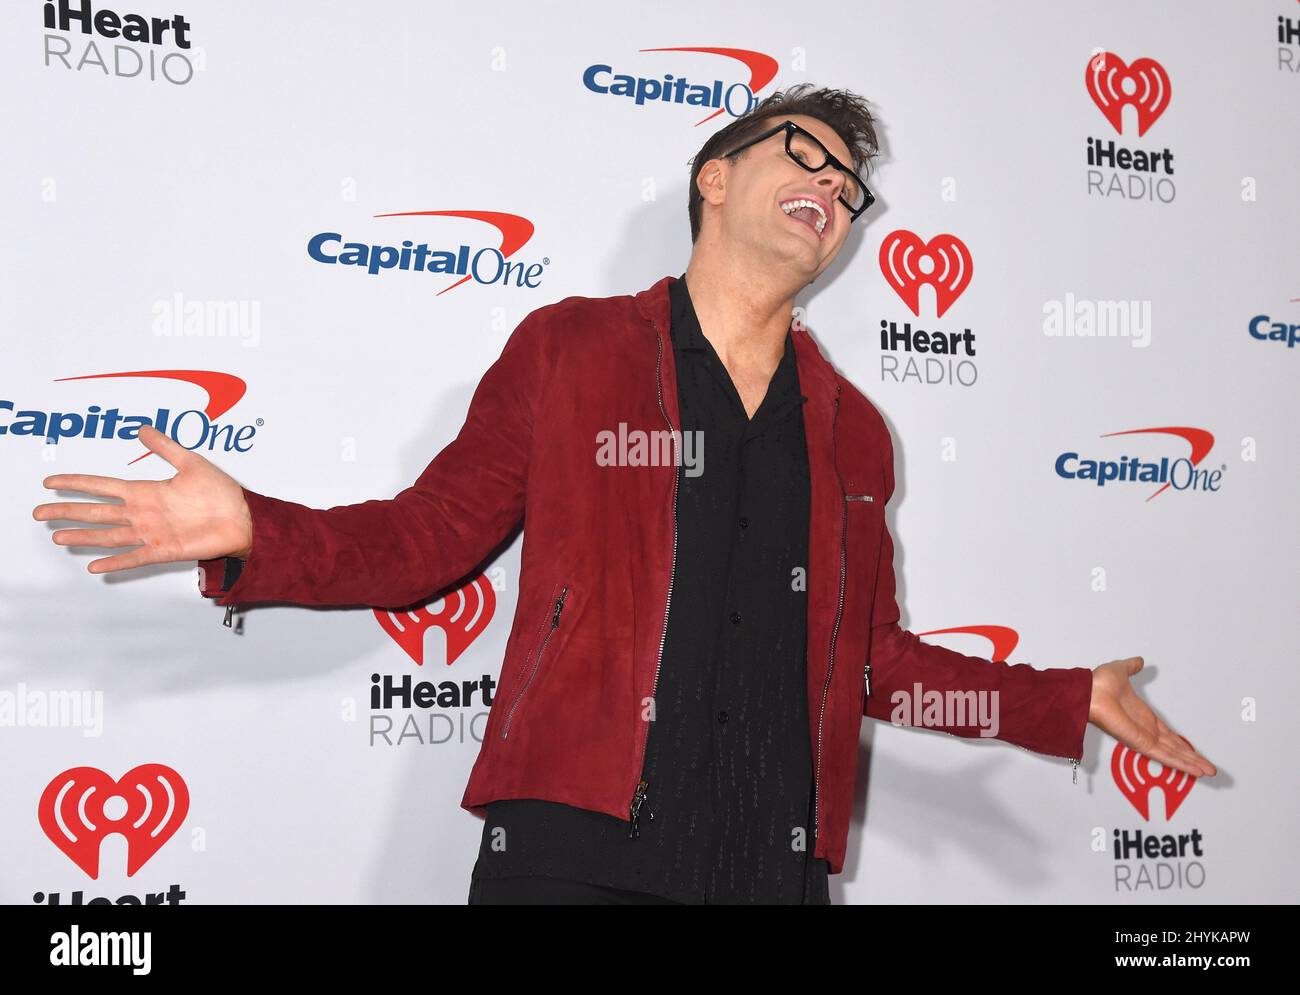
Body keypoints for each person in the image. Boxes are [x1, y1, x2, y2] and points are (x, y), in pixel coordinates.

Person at [31, 84, 1217, 905]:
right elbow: (430, 537)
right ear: (714, 178)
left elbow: (872, 665)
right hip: (574, 847)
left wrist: (1055, 698)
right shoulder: (574, 349)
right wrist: (259, 530)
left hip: (773, 864)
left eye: (852, 187)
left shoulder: (856, 430)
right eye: (805, 154)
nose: (834, 188)